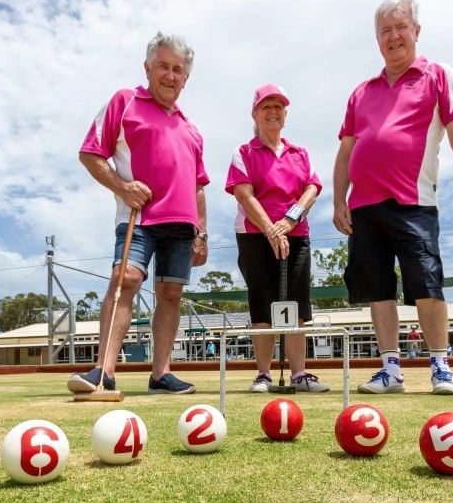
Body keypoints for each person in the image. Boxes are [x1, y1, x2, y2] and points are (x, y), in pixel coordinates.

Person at [333, 0, 453, 395]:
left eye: (400, 27)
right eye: (384, 31)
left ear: (416, 32)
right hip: (364, 208)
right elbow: (346, 150)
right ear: (377, 39)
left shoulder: (439, 75)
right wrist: (339, 200)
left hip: (414, 202)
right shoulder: (361, 92)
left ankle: (440, 364)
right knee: (377, 289)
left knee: (426, 283)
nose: (393, 37)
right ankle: (391, 370)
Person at [69, 32, 209, 396]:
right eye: (163, 66)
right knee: (126, 279)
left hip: (182, 225)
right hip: (140, 217)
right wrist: (123, 187)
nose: (170, 75)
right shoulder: (125, 101)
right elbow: (90, 153)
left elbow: (198, 185)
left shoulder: (191, 128)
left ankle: (161, 374)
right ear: (148, 68)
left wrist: (202, 233)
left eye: (178, 69)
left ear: (186, 78)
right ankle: (104, 371)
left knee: (171, 293)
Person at [226, 84, 329, 393]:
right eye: (266, 107)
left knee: (296, 306)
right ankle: (263, 374)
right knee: (262, 304)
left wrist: (288, 221)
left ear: (285, 114)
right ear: (255, 114)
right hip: (255, 236)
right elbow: (244, 194)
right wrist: (271, 229)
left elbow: (311, 189)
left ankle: (299, 374)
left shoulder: (301, 154)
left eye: (278, 107)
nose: (272, 112)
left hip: (296, 237)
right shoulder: (243, 152)